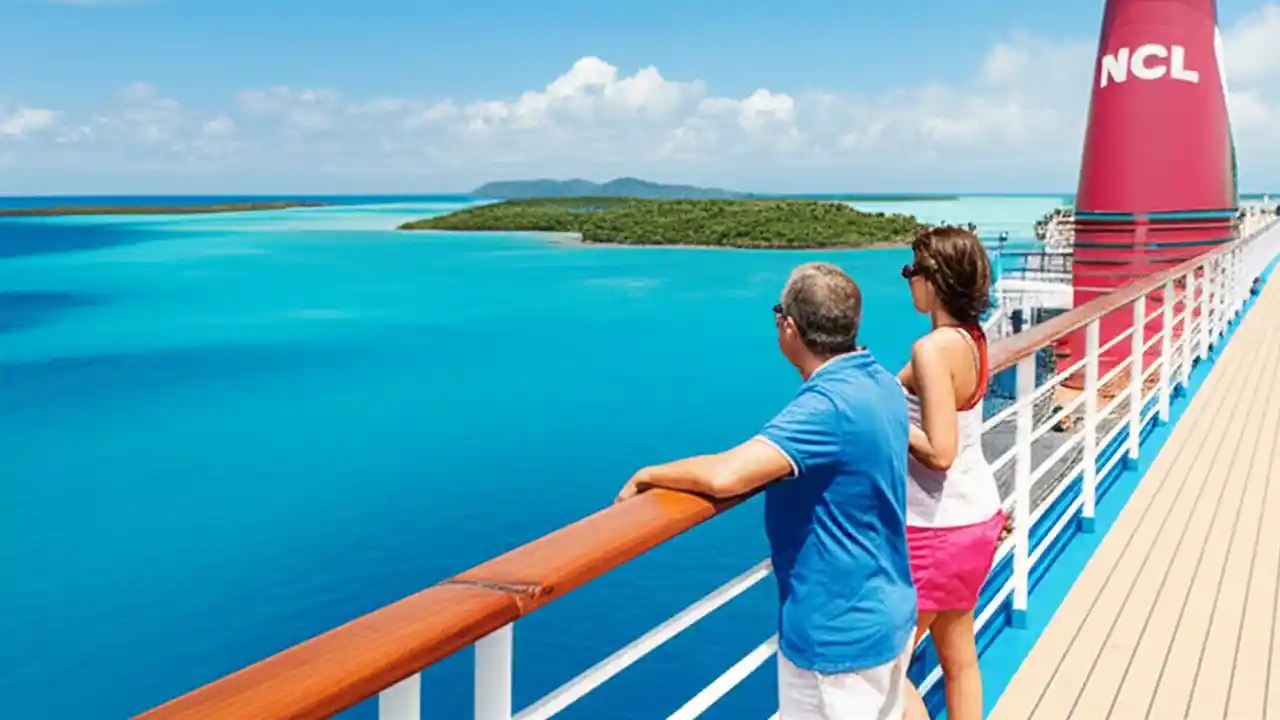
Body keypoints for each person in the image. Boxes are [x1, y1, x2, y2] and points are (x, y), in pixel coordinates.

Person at [616, 261, 917, 720]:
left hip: (839, 638)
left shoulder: (828, 406)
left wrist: (648, 474)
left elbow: (728, 475)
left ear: (789, 327)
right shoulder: (879, 380)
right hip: (887, 608)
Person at [897, 226, 1004, 720]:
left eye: (910, 271)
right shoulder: (972, 338)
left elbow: (940, 451)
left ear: (933, 280)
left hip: (935, 528)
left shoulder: (933, 348)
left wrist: (888, 418)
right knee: (958, 657)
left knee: (886, 673)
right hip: (976, 516)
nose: (907, 281)